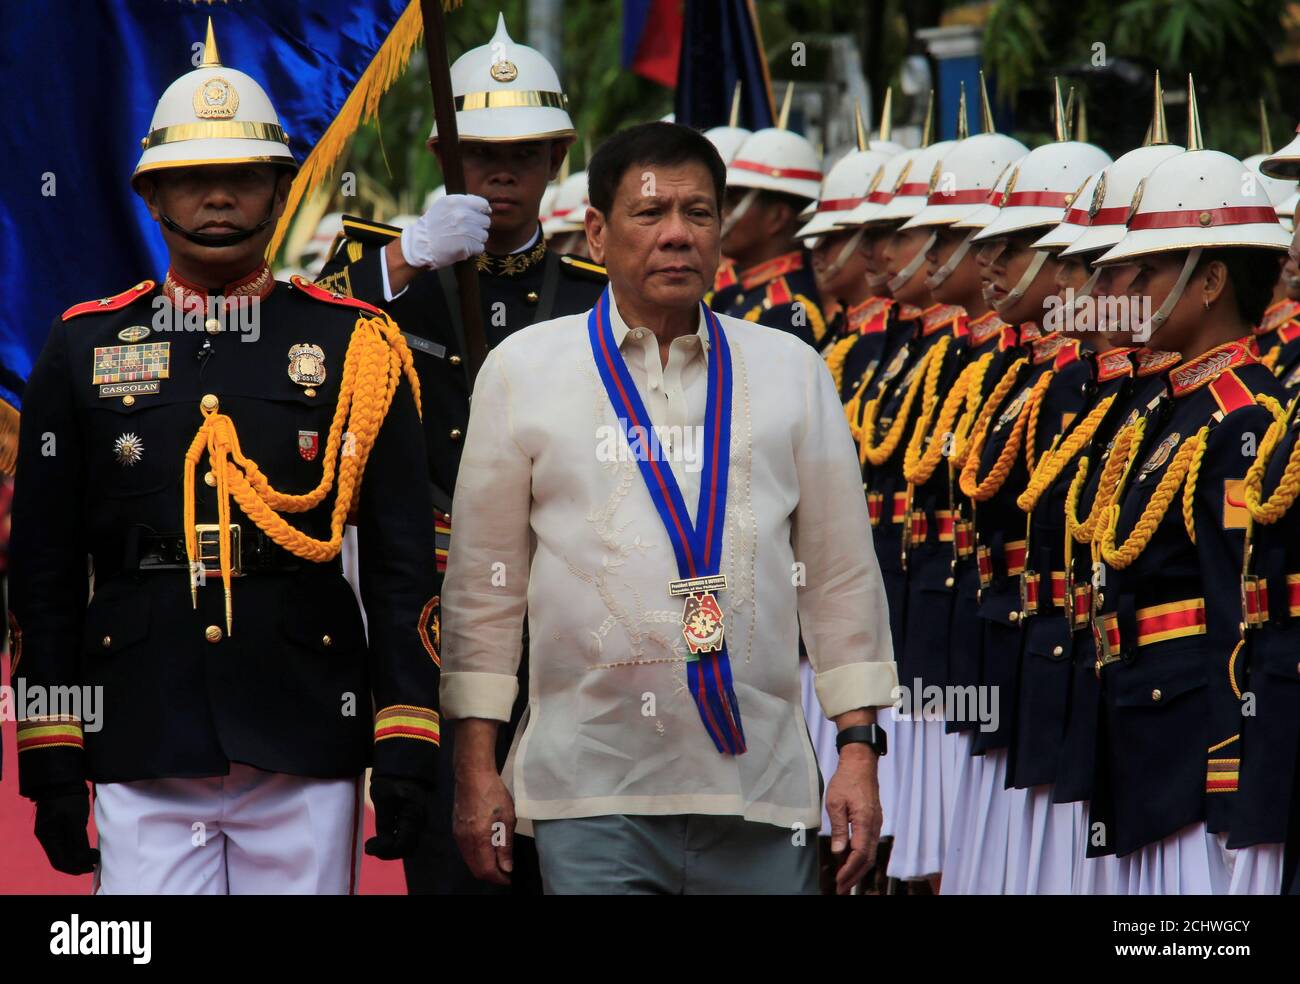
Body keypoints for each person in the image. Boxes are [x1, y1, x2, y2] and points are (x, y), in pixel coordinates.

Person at [8, 22, 440, 894]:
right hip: (143, 722)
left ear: (280, 191)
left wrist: (404, 733)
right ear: (153, 198)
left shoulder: (353, 344)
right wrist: (51, 755)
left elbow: (401, 564)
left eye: (240, 177)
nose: (216, 199)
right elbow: (45, 570)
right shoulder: (85, 346)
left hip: (305, 723)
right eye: (191, 179)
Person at [439, 121, 896, 895]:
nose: (677, 235)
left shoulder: (791, 371)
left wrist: (857, 752)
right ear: (596, 232)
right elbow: (486, 592)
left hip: (760, 787)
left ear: (721, 234)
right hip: (589, 786)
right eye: (650, 215)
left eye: (699, 213)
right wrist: (476, 768)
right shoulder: (525, 370)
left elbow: (840, 577)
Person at [317, 13, 606, 896]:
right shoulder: (381, 269)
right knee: (452, 849)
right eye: (480, 152)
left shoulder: (596, 294)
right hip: (430, 607)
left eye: (523, 153)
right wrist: (404, 261)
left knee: (568, 842)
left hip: (569, 599)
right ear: (447, 157)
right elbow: (301, 353)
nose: (502, 172)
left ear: (557, 159)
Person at [1083, 82, 1288, 894]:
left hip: (1196, 755)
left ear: (1209, 283)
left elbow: (1242, 613)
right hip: (1143, 734)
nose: (1125, 289)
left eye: (1150, 268)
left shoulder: (1241, 420)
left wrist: (1233, 771)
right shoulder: (1169, 406)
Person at [712, 114, 828, 347]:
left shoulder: (789, 308)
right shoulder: (737, 293)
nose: (720, 213)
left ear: (777, 217)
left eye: (733, 202)